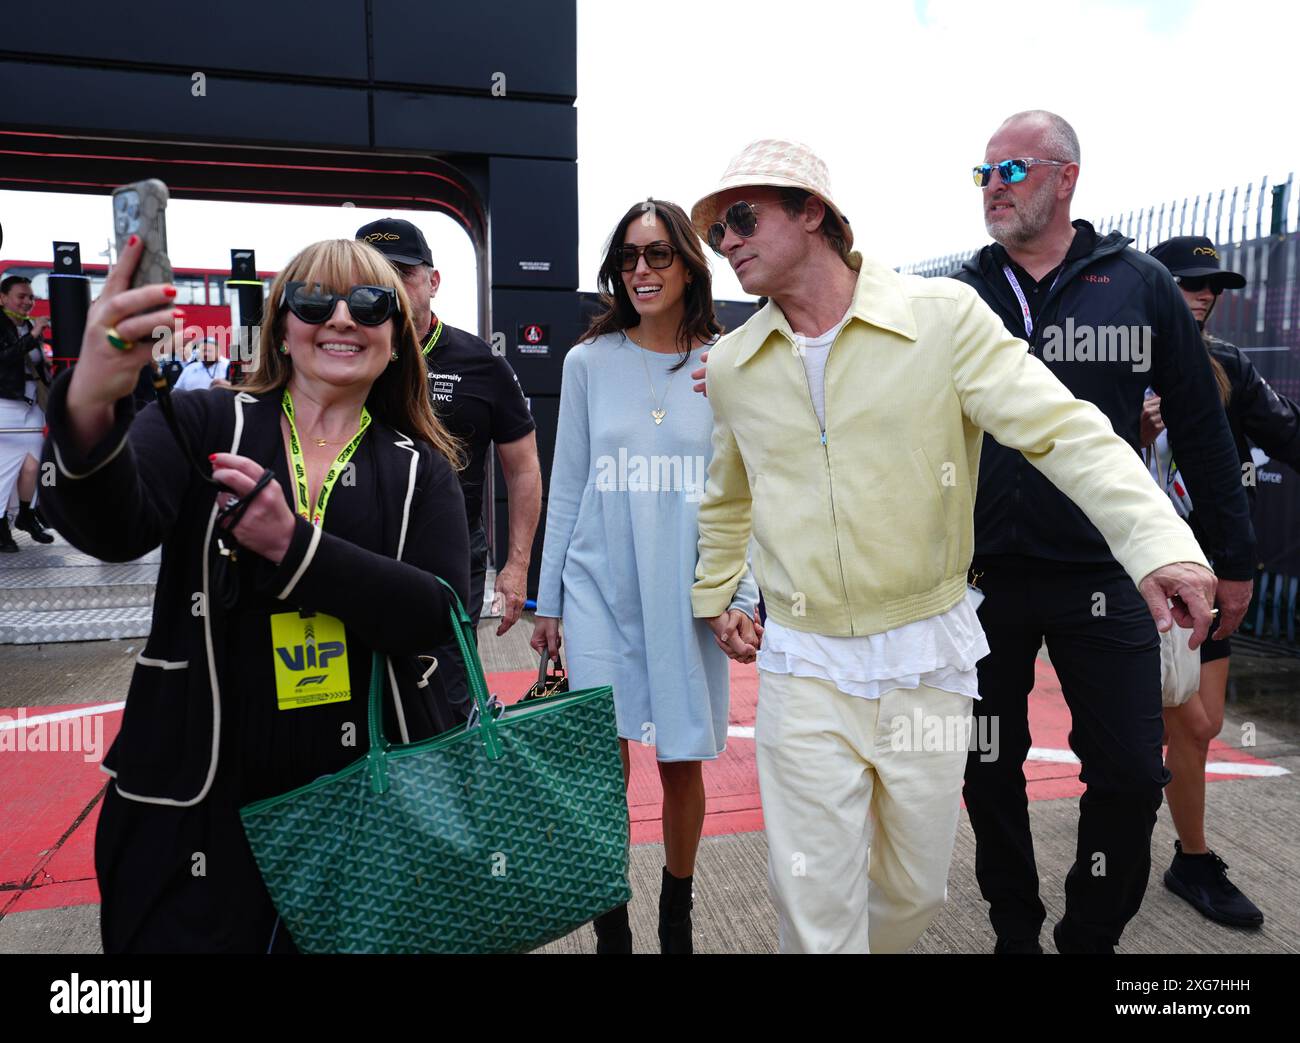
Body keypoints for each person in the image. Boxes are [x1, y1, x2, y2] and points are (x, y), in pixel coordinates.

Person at [689, 138, 1219, 955]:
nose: (724, 241)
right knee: (811, 892)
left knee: (913, 885)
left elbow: (1063, 429)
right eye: (716, 230)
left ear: (813, 212)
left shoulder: (941, 320)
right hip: (803, 661)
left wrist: (1156, 543)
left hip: (928, 656)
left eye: (740, 217)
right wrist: (719, 591)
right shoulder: (733, 364)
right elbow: (728, 493)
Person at [38, 235, 469, 953]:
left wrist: (293, 548)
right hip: (197, 798)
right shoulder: (209, 420)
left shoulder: (422, 468)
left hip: (363, 803)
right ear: (280, 327)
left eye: (369, 303)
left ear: (397, 337)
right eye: (312, 301)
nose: (340, 318)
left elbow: (436, 613)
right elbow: (115, 528)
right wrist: (88, 399)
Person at [951, 111, 1256, 954]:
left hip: (1107, 571)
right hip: (980, 582)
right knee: (984, 765)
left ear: (1066, 177)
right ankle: (1015, 925)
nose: (994, 188)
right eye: (984, 174)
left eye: (1011, 170)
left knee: (1129, 773)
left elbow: (1200, 422)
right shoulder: (960, 292)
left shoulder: (1139, 282)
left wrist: (1230, 560)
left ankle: (1088, 936)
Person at [532, 199, 760, 954]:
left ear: (689, 264)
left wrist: (742, 592)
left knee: (682, 757)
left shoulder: (728, 362)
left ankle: (677, 914)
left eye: (658, 254)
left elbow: (749, 488)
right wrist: (551, 598)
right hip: (601, 586)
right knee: (605, 764)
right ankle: (613, 926)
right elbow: (568, 484)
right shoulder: (588, 362)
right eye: (629, 256)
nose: (640, 270)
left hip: (688, 593)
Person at [1144, 234, 1300, 930]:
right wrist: (1131, 425)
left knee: (1200, 722)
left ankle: (1188, 856)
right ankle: (1188, 847)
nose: (1205, 295)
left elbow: (1288, 435)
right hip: (1128, 576)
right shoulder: (1111, 364)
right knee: (1183, 722)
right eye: (1188, 282)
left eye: (1213, 286)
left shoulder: (1227, 365)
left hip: (1204, 574)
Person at [357, 218, 541, 719]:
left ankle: (457, 787)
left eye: (403, 274)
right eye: (374, 276)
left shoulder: (480, 362)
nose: (390, 288)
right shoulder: (341, 354)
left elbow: (523, 468)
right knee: (353, 692)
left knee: (446, 690)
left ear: (433, 282)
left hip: (447, 554)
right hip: (354, 547)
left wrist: (517, 566)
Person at [0, 274, 54, 549]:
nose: (28, 302)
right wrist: (33, 337)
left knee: (33, 464)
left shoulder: (29, 326)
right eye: (21, 296)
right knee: (4, 471)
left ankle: (26, 514)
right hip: (5, 404)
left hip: (32, 405)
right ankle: (1, 527)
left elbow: (36, 365)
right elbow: (5, 358)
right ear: (2, 298)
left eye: (31, 297)